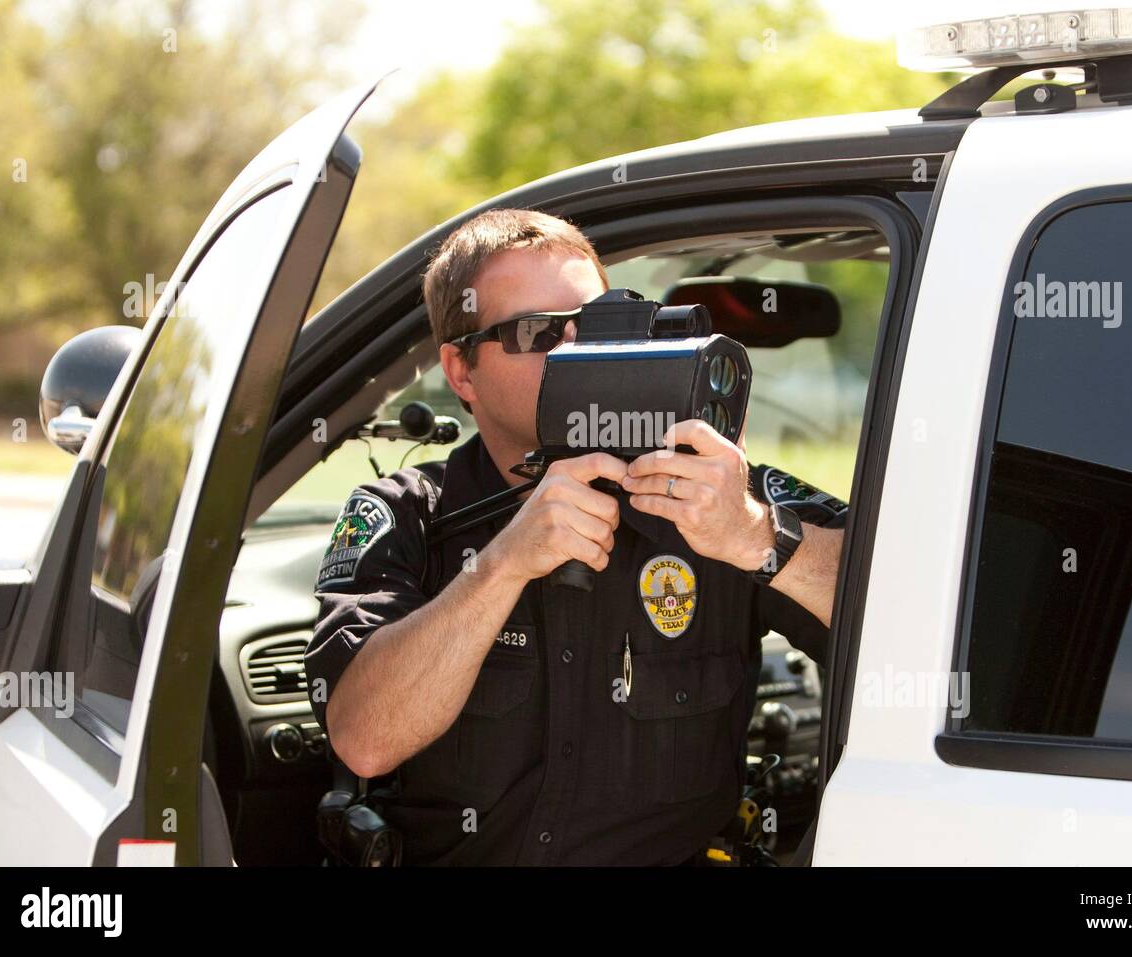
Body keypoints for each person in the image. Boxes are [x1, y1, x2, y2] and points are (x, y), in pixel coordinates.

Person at [304, 208, 848, 865]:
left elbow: (916, 615)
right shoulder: (411, 513)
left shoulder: (714, 490)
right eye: (536, 333)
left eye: (592, 327)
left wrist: (759, 536)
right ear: (461, 370)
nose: (573, 352)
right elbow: (364, 737)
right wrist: (502, 564)